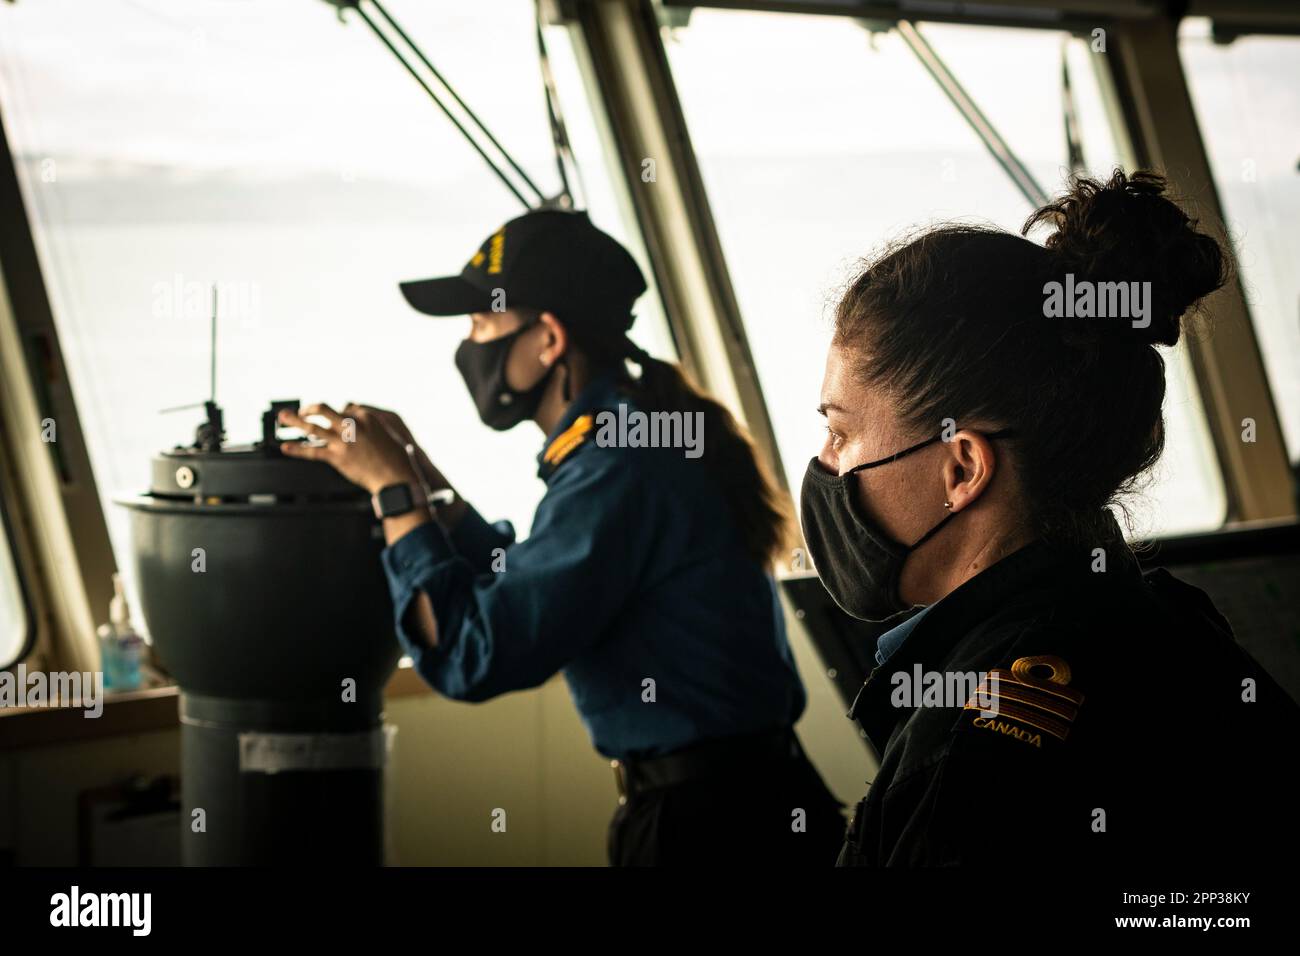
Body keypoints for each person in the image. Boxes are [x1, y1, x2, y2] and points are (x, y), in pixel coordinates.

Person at [280, 208, 844, 866]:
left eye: (483, 322)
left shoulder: (616, 466)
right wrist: (427, 484)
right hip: (744, 806)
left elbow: (473, 653)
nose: (469, 343)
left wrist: (394, 494)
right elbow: (525, 578)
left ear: (548, 339)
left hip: (712, 831)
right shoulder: (630, 437)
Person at [800, 169, 1299, 867]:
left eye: (841, 432)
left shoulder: (975, 761)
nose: (825, 462)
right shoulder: (1168, 618)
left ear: (963, 469)